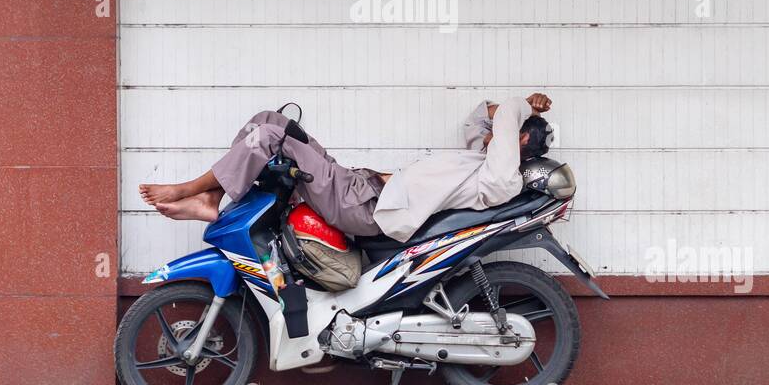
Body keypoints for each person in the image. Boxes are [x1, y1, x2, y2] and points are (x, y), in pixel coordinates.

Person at [139, 93, 553, 242]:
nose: (488, 134)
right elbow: (479, 116)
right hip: (359, 185)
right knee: (273, 119)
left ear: (515, 141)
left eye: (501, 133)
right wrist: (514, 109)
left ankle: (187, 189)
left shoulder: (499, 178)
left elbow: (500, 119)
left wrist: (523, 104)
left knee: (268, 138)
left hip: (367, 206)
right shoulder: (479, 160)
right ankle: (213, 195)